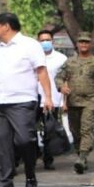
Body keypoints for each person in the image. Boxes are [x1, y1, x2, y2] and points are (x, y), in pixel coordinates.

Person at [0, 13, 53, 187]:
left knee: (24, 140)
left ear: (6, 26)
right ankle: (5, 183)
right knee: (2, 144)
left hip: (22, 101)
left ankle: (30, 174)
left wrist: (48, 97)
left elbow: (41, 72)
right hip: (0, 103)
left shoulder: (30, 45)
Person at [56, 32, 94, 173]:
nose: (83, 44)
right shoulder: (69, 62)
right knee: (76, 131)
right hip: (73, 102)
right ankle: (81, 155)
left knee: (86, 130)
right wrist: (62, 86)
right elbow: (59, 77)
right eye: (81, 42)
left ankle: (82, 158)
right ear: (77, 44)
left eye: (86, 42)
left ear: (90, 44)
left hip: (91, 101)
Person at [36, 29, 67, 170]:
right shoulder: (33, 58)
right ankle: (25, 158)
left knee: (49, 132)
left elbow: (66, 81)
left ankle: (48, 159)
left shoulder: (61, 59)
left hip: (52, 100)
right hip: (33, 99)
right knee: (26, 130)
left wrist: (64, 101)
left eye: (47, 40)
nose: (45, 43)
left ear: (52, 41)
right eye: (42, 40)